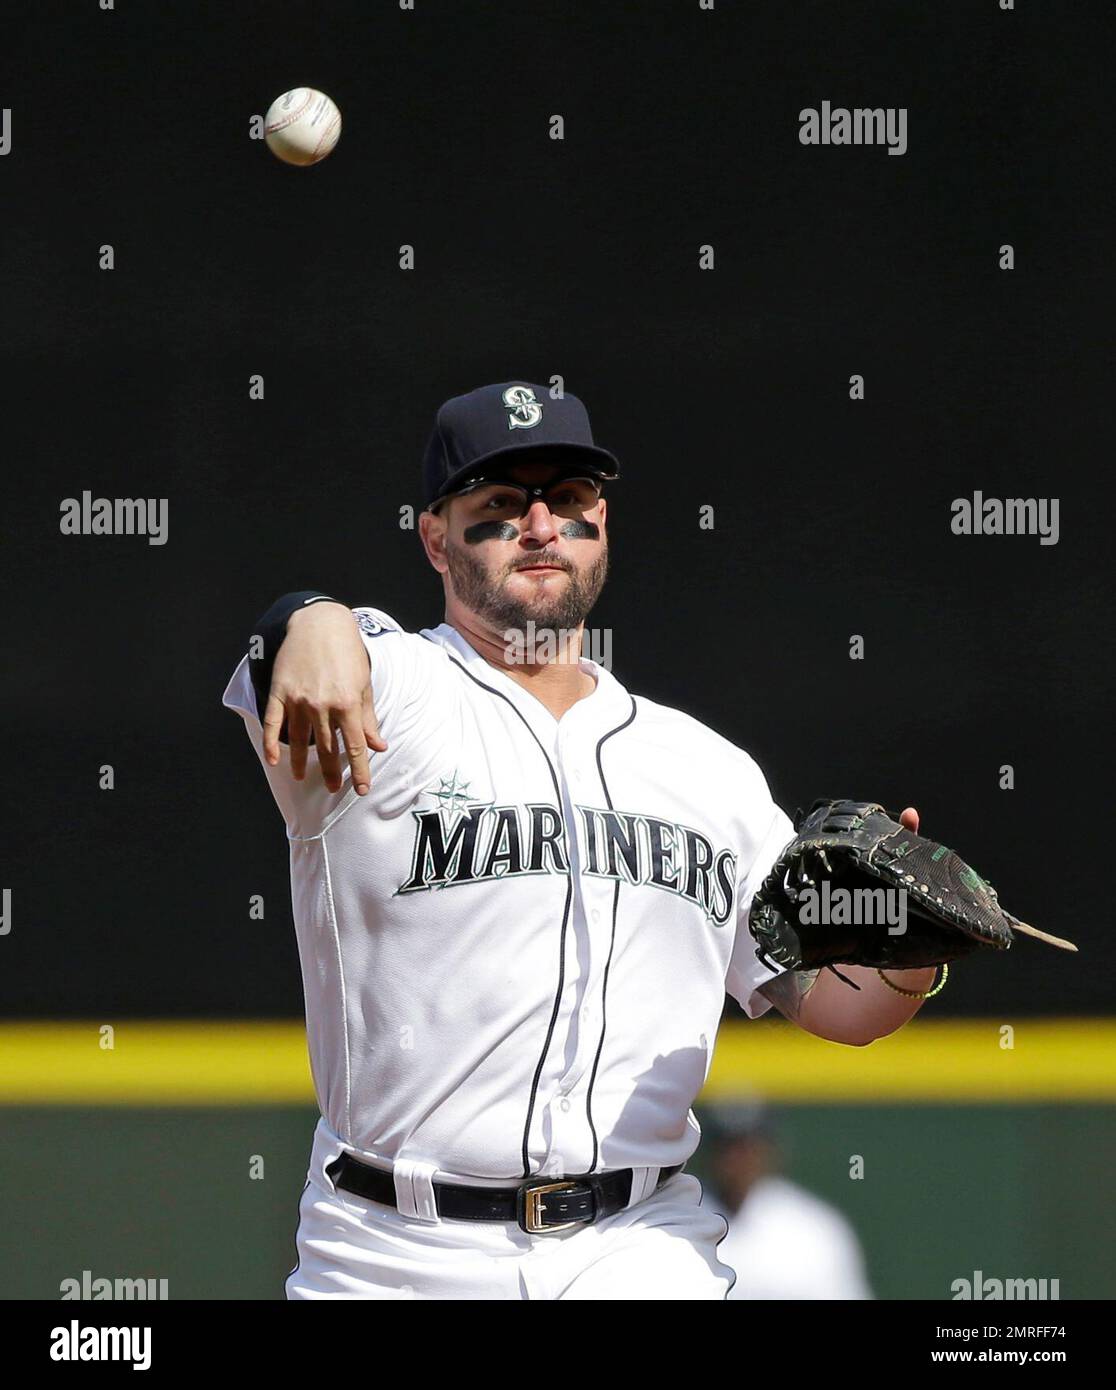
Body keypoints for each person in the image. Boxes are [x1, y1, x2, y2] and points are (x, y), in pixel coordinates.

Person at [222, 380, 938, 1300]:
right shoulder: (388, 688)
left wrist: (912, 955)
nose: (538, 523)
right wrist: (309, 613)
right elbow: (289, 660)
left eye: (567, 500)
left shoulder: (707, 770)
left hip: (638, 1246)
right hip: (394, 1253)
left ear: (601, 522)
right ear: (435, 537)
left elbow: (835, 1008)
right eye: (497, 504)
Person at [702, 1100, 873, 1299]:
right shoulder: (674, 1222)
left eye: (747, 1147)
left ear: (768, 1150)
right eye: (725, 1146)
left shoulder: (812, 1230)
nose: (736, 1159)